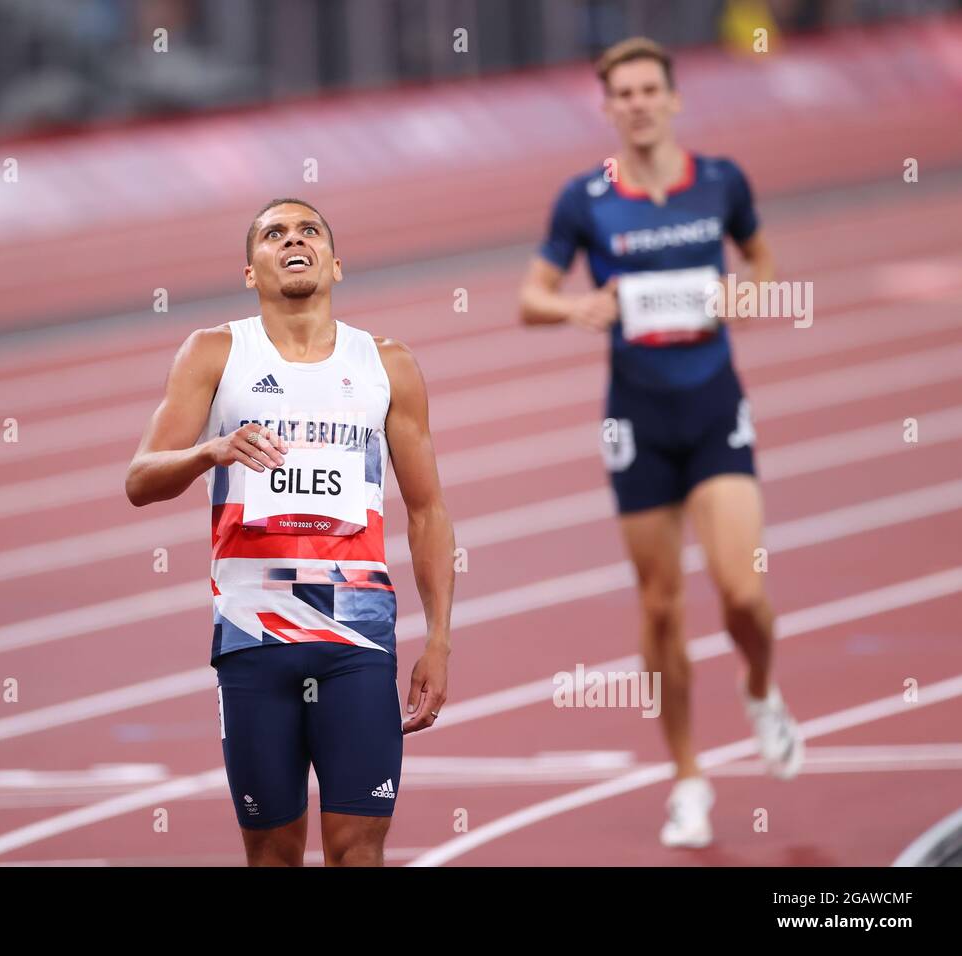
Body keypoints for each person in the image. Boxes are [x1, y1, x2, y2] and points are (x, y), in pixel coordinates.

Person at [518, 38, 803, 848]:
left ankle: (760, 688)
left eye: (650, 89)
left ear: (674, 99)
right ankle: (688, 777)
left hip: (715, 408)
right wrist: (579, 308)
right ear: (608, 109)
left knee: (742, 592)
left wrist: (742, 293)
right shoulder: (585, 199)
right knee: (659, 606)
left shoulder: (721, 182)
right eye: (624, 94)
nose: (638, 103)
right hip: (636, 423)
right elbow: (530, 295)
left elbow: (764, 261)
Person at [126, 198, 454, 866]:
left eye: (309, 231)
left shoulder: (386, 365)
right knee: (273, 853)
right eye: (274, 234)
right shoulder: (216, 353)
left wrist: (440, 638)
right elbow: (140, 478)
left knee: (356, 850)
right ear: (252, 271)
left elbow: (427, 511)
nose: (293, 240)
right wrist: (209, 453)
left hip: (356, 640)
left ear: (337, 263)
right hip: (254, 641)